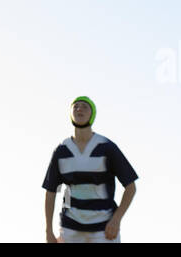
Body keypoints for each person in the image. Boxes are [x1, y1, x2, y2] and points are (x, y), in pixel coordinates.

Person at [42, 97, 138, 243]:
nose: (79, 109)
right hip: (70, 229)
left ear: (92, 114)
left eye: (85, 107)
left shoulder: (107, 147)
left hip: (104, 230)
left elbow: (131, 187)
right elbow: (51, 192)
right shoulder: (61, 151)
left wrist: (116, 220)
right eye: (75, 107)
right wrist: (48, 230)